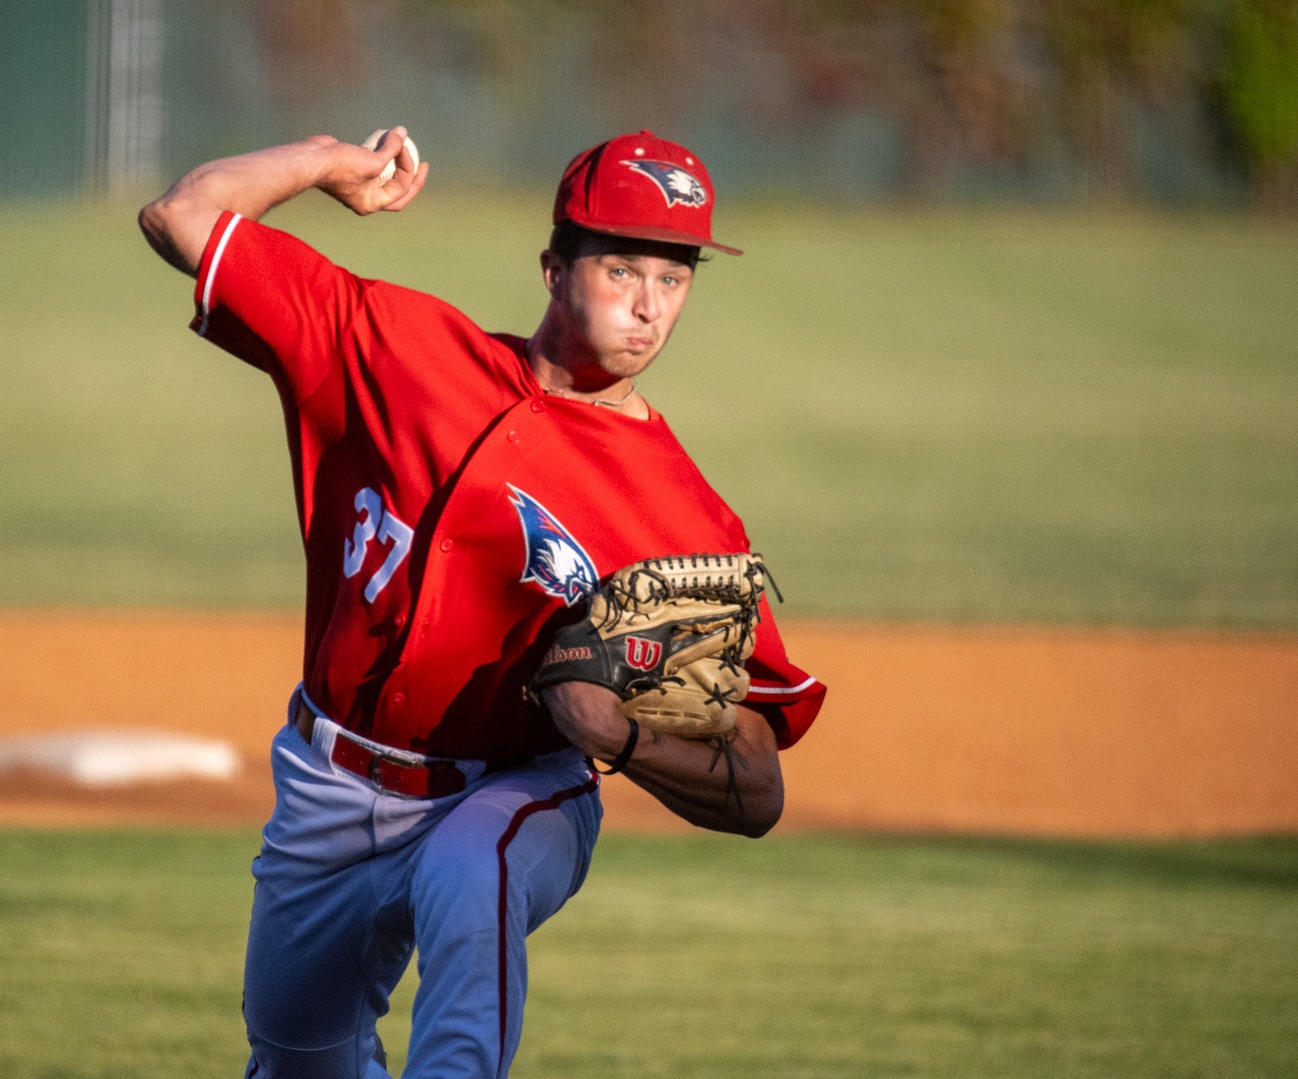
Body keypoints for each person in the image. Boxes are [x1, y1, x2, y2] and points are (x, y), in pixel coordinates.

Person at [138, 127, 825, 1079]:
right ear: (553, 268)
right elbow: (182, 215)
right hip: (329, 785)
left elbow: (757, 785)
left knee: (475, 866)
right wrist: (332, 161)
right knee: (298, 1058)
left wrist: (622, 741)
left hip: (514, 790)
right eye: (622, 269)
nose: (648, 307)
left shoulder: (685, 516)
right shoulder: (397, 348)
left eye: (674, 279)